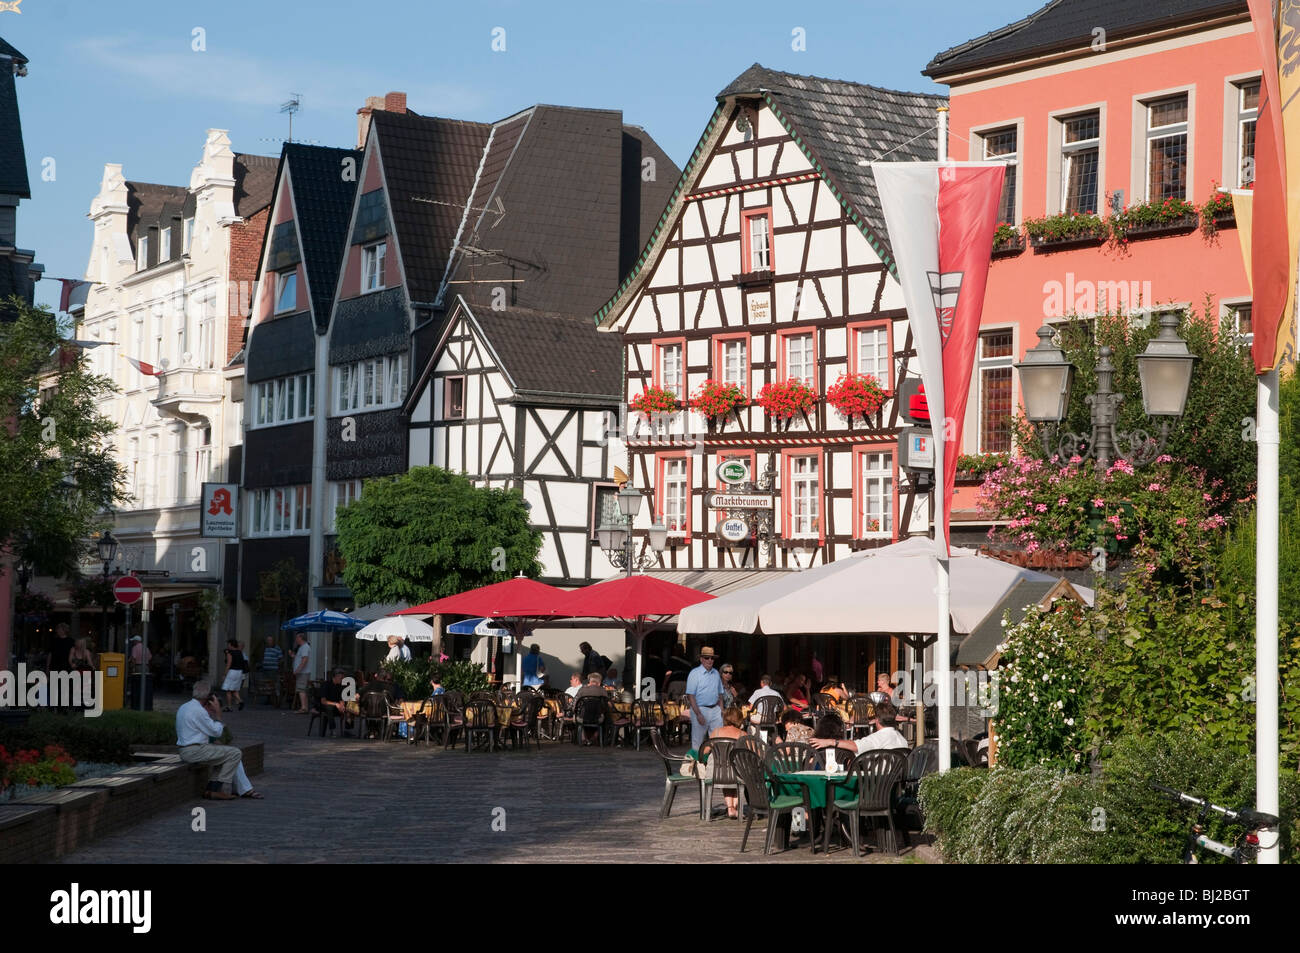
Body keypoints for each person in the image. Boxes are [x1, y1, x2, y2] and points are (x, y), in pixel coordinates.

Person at [175, 681, 262, 799]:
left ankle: (216, 790)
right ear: (207, 697)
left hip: (189, 750)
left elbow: (200, 732)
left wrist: (214, 741)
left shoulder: (185, 706)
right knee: (235, 753)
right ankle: (220, 788)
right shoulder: (198, 711)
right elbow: (217, 731)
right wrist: (218, 714)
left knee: (230, 755)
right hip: (194, 751)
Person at [809, 700, 908, 758]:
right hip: (897, 783)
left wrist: (830, 742)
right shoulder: (902, 739)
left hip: (877, 783)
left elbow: (856, 746)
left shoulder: (878, 737)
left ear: (876, 720)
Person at [707, 706, 748, 818]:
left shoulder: (716, 732)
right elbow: (753, 751)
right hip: (737, 774)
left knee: (725, 771)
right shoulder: (742, 734)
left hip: (717, 773)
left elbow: (705, 751)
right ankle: (734, 808)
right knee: (737, 769)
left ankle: (731, 808)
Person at [685, 646, 725, 750]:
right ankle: (696, 765)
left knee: (717, 740)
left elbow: (720, 693)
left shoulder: (716, 673)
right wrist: (698, 714)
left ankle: (714, 764)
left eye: (712, 658)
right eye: (707, 658)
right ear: (701, 659)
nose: (710, 660)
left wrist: (721, 709)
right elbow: (691, 696)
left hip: (715, 710)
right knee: (697, 741)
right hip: (700, 709)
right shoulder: (695, 673)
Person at [573, 672, 608, 745]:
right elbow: (606, 706)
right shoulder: (603, 691)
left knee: (576, 717)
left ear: (589, 682)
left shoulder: (582, 690)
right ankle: (594, 738)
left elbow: (575, 704)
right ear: (599, 683)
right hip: (597, 718)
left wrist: (575, 711)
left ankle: (583, 739)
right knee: (606, 717)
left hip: (582, 718)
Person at [221, 639, 248, 711]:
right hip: (239, 672)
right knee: (235, 690)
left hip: (232, 672)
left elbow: (228, 664)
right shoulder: (240, 652)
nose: (227, 646)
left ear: (230, 644)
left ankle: (229, 707)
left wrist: (224, 674)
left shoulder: (230, 653)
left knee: (228, 690)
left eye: (228, 644)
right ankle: (240, 701)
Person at [317, 669, 347, 733]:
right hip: (323, 706)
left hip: (336, 707)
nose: (342, 680)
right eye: (341, 678)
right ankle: (332, 728)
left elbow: (341, 699)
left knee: (350, 706)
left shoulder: (341, 686)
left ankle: (347, 729)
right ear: (335, 677)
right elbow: (323, 701)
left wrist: (342, 705)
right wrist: (336, 704)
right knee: (329, 708)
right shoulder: (326, 684)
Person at [291, 633, 311, 713]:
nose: (296, 640)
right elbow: (300, 658)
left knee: (301, 689)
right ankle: (305, 707)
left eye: (297, 638)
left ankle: (303, 708)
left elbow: (304, 659)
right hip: (303, 672)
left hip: (303, 672)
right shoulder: (302, 647)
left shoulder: (305, 647)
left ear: (301, 638)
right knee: (303, 690)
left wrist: (298, 669)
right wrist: (293, 656)